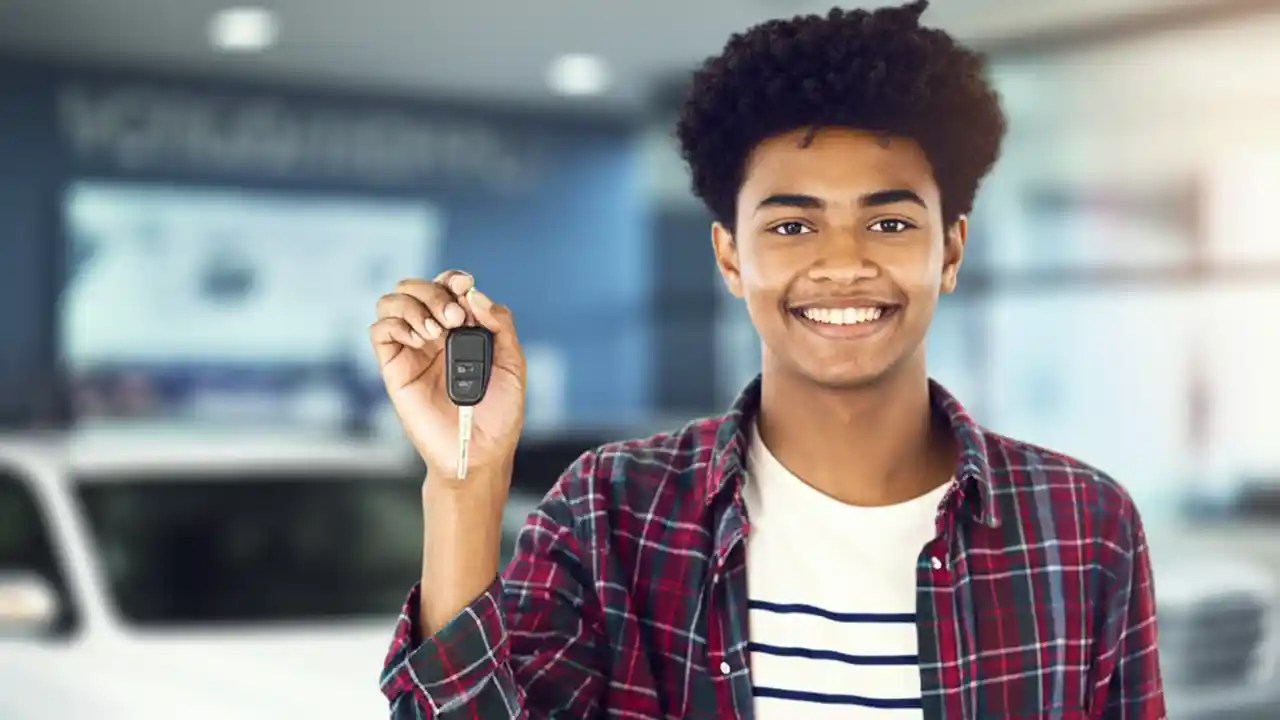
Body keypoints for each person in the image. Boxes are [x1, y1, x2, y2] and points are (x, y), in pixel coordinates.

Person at [372, 1, 1164, 718]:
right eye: (793, 227)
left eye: (889, 225)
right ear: (729, 257)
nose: (844, 264)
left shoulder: (1085, 528)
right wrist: (463, 485)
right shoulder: (611, 515)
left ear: (951, 249)